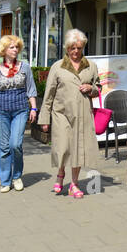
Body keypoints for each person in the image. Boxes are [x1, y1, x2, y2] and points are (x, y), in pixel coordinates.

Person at [37, 29, 100, 199]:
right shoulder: (57, 67)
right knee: (63, 147)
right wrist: (44, 119)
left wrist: (91, 88)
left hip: (82, 114)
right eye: (72, 48)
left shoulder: (91, 66)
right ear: (67, 49)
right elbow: (49, 94)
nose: (75, 51)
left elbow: (98, 88)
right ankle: (60, 174)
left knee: (79, 149)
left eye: (79, 48)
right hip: (61, 114)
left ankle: (74, 184)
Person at [0, 35, 39, 193]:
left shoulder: (25, 67)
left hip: (20, 110)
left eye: (16, 47)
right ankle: (6, 180)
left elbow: (31, 89)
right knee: (4, 147)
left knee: (16, 144)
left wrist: (34, 108)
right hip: (2, 111)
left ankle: (17, 176)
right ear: (4, 50)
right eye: (12, 47)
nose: (15, 50)